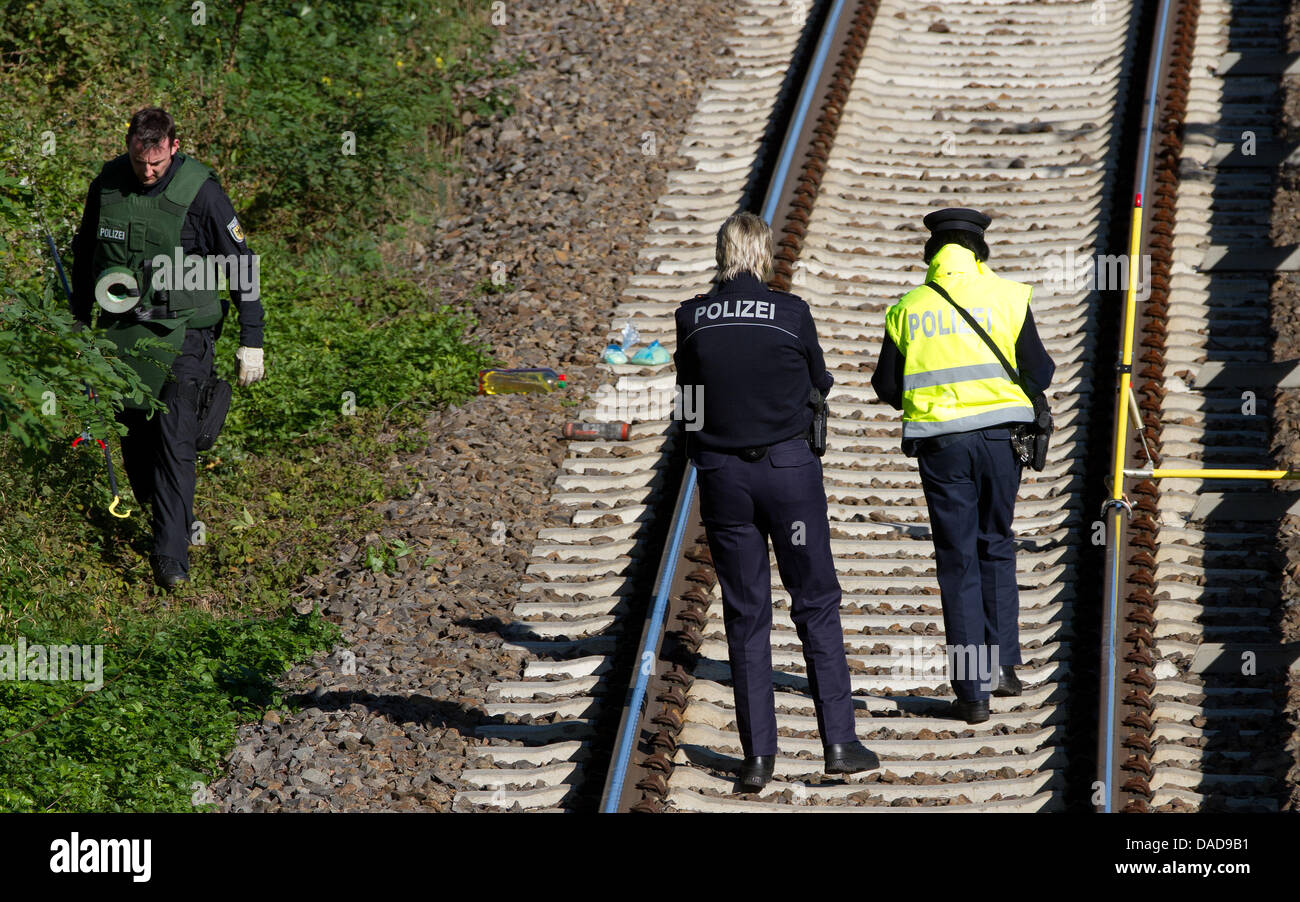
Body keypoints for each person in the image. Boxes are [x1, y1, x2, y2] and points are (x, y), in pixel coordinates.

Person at [674, 211, 878, 793]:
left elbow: (688, 405)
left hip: (724, 480)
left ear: (722, 254)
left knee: (746, 614)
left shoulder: (692, 317)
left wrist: (710, 456)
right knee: (815, 601)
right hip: (789, 475)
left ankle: (757, 758)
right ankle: (839, 743)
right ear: (764, 255)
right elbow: (822, 381)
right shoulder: (791, 313)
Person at [870, 208, 1055, 724]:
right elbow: (1038, 371)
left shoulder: (908, 308)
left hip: (943, 446)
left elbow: (887, 386)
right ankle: (1003, 668)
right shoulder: (1009, 296)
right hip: (1001, 443)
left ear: (932, 254)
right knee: (996, 544)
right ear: (980, 252)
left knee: (957, 559)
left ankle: (972, 692)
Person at [71, 107, 265, 591]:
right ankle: (165, 519)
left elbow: (241, 266)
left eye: (156, 163)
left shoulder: (202, 194)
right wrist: (75, 323)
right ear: (130, 146)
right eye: (140, 162)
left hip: (185, 335)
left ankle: (171, 560)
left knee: (175, 443)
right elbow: (83, 253)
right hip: (123, 333)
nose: (148, 172)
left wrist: (252, 341)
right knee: (136, 444)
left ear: (174, 147)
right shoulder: (109, 185)